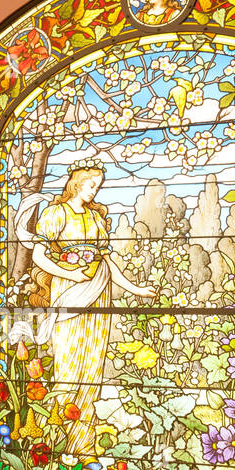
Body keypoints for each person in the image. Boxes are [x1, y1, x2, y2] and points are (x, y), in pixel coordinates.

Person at [25, 165, 156, 455]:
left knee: (92, 364)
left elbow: (108, 264)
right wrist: (70, 275)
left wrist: (136, 289)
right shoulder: (55, 214)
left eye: (98, 185)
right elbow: (38, 257)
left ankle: (83, 443)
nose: (94, 190)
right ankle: (59, 438)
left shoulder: (97, 219)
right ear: (75, 184)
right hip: (69, 292)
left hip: (99, 294)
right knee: (69, 362)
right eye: (91, 184)